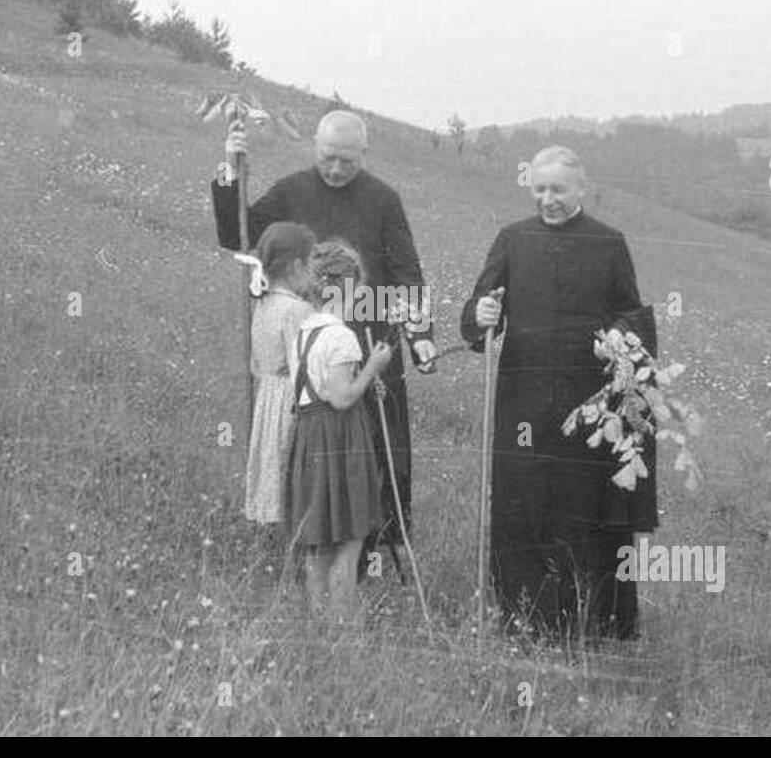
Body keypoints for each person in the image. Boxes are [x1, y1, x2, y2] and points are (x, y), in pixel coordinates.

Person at [211, 109, 436, 568]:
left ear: (364, 155)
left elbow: (407, 273)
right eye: (329, 158)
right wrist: (230, 171)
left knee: (379, 451)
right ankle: (311, 549)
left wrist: (420, 337)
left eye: (347, 162)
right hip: (310, 347)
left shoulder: (383, 200)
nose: (336, 169)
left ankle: (375, 554)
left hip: (370, 339)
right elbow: (238, 235)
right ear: (315, 147)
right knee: (317, 450)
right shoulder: (291, 191)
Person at [460, 146, 658, 642]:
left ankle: (587, 620)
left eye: (558, 190)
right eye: (539, 189)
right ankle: (522, 615)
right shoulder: (512, 238)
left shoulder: (609, 244)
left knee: (579, 506)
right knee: (522, 503)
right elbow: (479, 311)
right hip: (522, 403)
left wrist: (619, 334)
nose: (547, 199)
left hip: (588, 407)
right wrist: (479, 315)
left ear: (580, 190)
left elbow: (631, 314)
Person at [284, 241, 393, 622]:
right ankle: (344, 624)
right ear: (343, 289)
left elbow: (322, 387)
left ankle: (318, 620)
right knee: (348, 538)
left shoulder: (305, 333)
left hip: (309, 438)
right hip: (339, 439)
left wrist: (362, 382)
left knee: (319, 541)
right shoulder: (341, 335)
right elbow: (342, 397)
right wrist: (373, 368)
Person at [243, 222, 316, 527]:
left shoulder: (264, 301)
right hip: (291, 404)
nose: (314, 271)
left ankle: (273, 535)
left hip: (269, 398)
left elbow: (256, 364)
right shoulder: (297, 310)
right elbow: (305, 372)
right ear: (297, 265)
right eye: (312, 263)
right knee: (293, 473)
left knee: (273, 466)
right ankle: (295, 544)